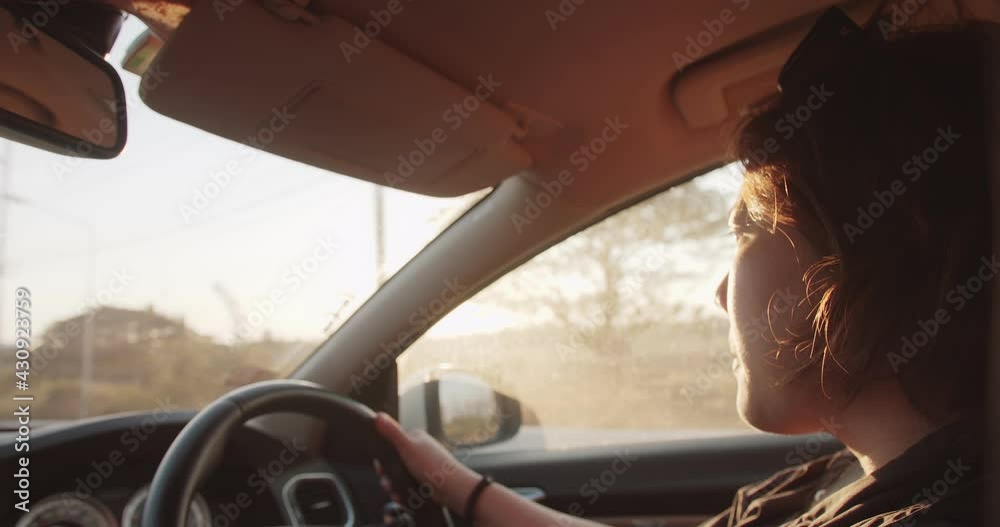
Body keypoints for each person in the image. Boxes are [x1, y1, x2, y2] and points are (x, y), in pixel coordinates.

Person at [374, 4, 995, 526]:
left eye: (747, 234)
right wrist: (460, 485)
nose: (721, 293)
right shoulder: (859, 474)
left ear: (879, 251)